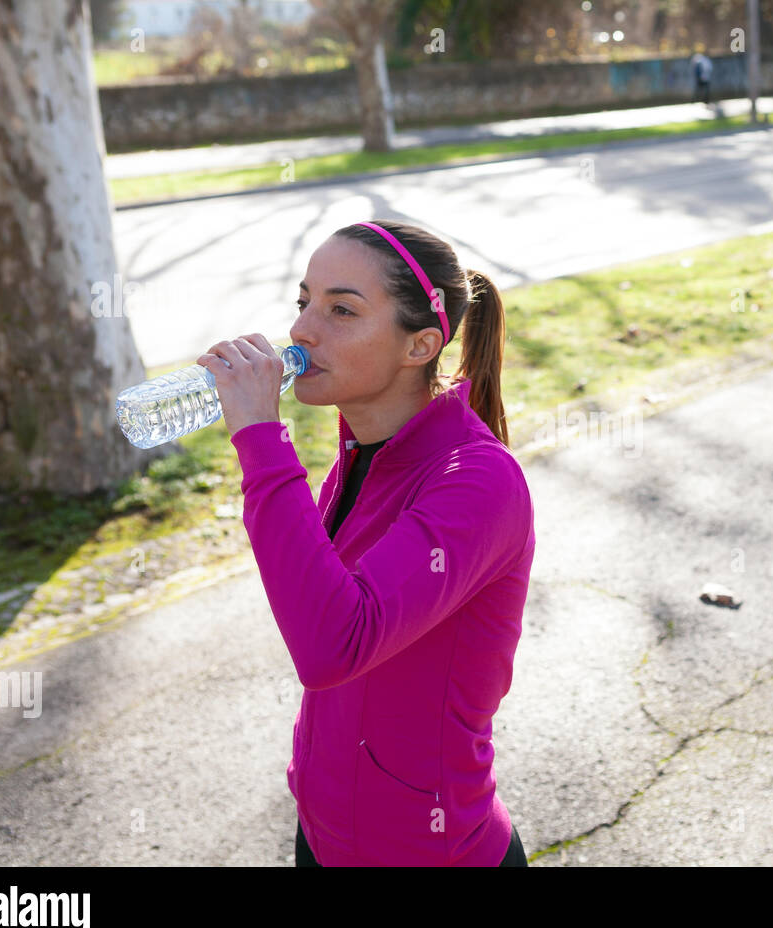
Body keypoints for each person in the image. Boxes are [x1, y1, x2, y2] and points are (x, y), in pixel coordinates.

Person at [197, 219, 536, 866]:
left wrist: (261, 441)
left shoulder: (479, 482)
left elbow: (332, 646)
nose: (301, 330)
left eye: (341, 309)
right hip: (324, 837)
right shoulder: (360, 455)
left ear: (420, 346)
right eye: (304, 302)